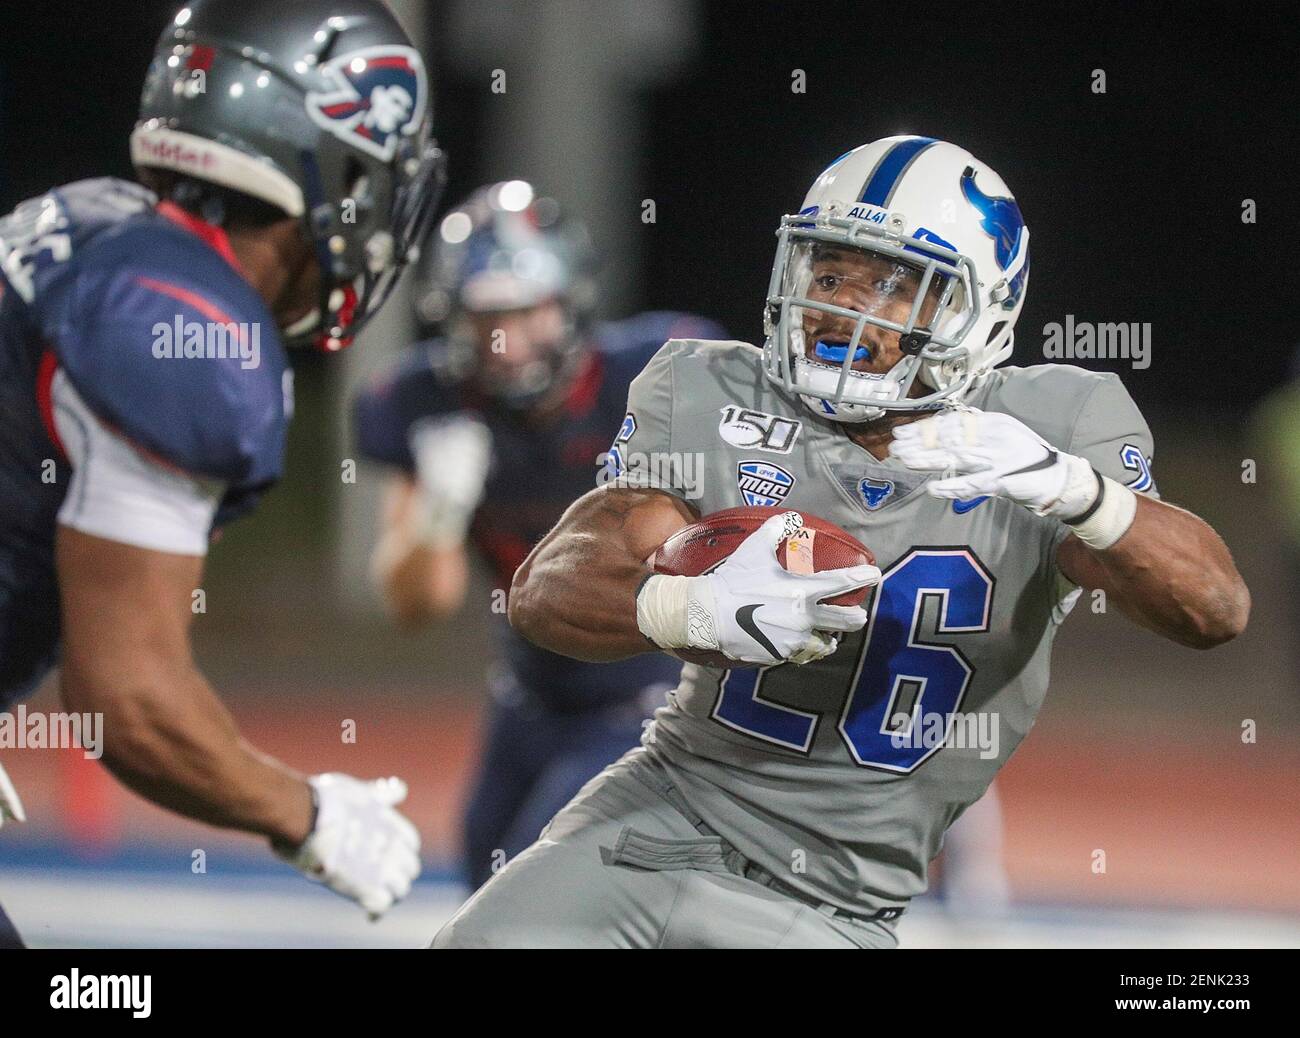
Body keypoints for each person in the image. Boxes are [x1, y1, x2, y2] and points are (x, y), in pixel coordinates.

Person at [432, 135, 1249, 948]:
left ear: (977, 309)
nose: (840, 309)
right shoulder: (711, 388)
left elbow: (1214, 609)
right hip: (656, 822)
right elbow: (544, 591)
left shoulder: (1054, 426)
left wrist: (1083, 494)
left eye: (893, 287)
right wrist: (686, 608)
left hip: (837, 901)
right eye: (829, 275)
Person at [0, 0, 447, 943]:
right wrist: (307, 815)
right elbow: (132, 706)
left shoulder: (86, 218)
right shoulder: (190, 333)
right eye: (365, 177)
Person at [354, 180, 726, 889]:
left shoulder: (656, 376)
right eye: (485, 316)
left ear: (571, 304)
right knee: (485, 869)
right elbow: (414, 606)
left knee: (536, 888)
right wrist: (438, 509)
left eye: (528, 312)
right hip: (530, 695)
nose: (506, 340)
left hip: (652, 697)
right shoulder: (424, 404)